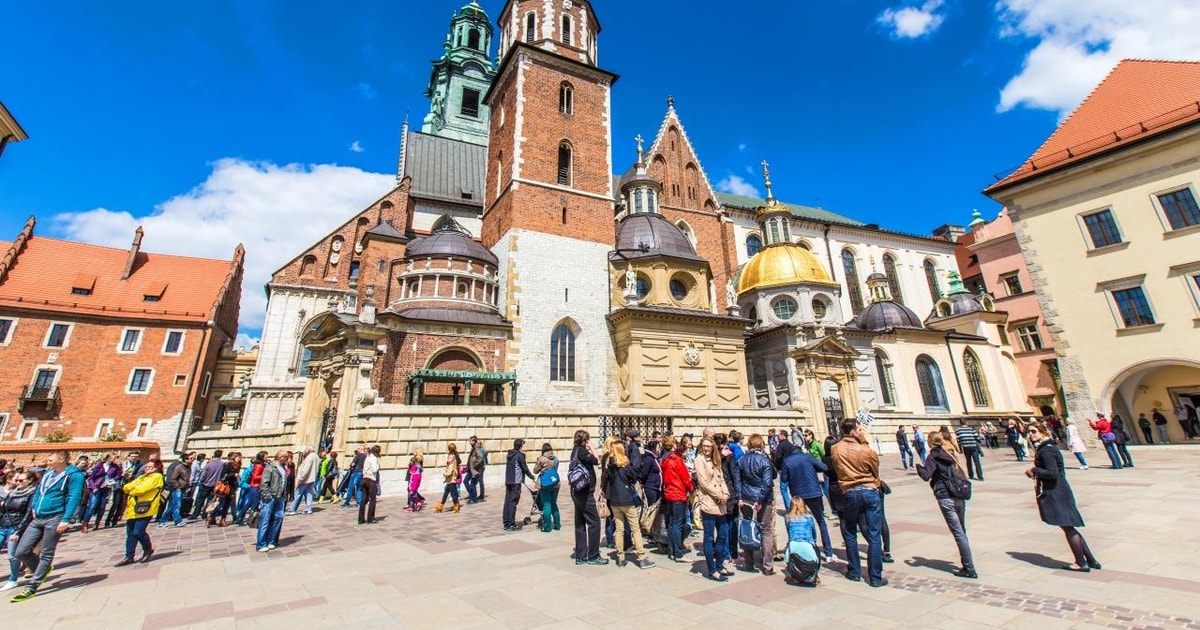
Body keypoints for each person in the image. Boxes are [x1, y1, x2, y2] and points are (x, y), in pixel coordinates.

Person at [8, 450, 85, 603]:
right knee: (21, 551)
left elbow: (74, 496)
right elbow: (38, 492)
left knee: (46, 552)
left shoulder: (74, 475)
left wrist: (66, 519)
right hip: (39, 517)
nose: (48, 461)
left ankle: (32, 587)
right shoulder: (49, 474)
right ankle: (42, 570)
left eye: (51, 459)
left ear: (61, 459)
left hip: (56, 517)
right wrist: (35, 507)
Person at [1025, 422, 1101, 572]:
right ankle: (1090, 560)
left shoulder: (1046, 450)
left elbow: (1052, 473)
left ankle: (1081, 563)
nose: (1031, 434)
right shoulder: (1049, 446)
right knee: (1069, 526)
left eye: (1034, 431)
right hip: (1060, 489)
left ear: (1043, 432)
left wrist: (1034, 470)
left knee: (1067, 526)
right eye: (1029, 432)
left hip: (1055, 491)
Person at [831, 420, 887, 588]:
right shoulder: (866, 450)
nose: (862, 431)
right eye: (860, 429)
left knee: (849, 532)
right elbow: (875, 470)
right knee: (874, 534)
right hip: (869, 490)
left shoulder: (835, 448)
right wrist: (864, 443)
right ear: (854, 431)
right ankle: (875, 577)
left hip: (849, 492)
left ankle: (854, 571)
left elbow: (837, 467)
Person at [916, 433, 976, 578]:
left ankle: (969, 568)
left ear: (930, 442)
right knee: (962, 531)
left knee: (958, 533)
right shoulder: (948, 453)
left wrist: (919, 467)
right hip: (959, 496)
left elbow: (926, 475)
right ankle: (966, 563)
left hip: (946, 497)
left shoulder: (933, 456)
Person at [601, 442, 655, 569]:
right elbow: (635, 477)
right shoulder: (625, 467)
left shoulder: (609, 468)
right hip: (626, 500)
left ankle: (620, 557)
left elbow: (604, 481)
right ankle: (641, 557)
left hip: (614, 501)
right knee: (635, 529)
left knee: (619, 530)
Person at [778, 439, 834, 563]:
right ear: (801, 449)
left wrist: (788, 502)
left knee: (795, 522)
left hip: (798, 497)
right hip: (814, 493)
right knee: (821, 522)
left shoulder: (787, 461)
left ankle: (801, 549)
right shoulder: (808, 457)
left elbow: (783, 484)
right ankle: (829, 553)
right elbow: (824, 467)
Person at [732, 433, 776, 576]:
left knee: (747, 527)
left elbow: (737, 481)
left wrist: (739, 497)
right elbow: (767, 483)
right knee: (766, 531)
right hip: (763, 500)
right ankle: (768, 566)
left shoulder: (742, 460)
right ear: (762, 444)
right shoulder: (765, 460)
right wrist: (760, 500)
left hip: (746, 499)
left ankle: (749, 563)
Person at [115, 461, 163, 567]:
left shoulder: (157, 477)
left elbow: (140, 490)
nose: (147, 468)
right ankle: (129, 556)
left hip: (145, 508)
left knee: (138, 532)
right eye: (146, 466)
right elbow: (127, 486)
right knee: (130, 533)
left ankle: (148, 549)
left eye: (150, 467)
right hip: (133, 508)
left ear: (156, 468)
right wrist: (129, 489)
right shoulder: (142, 477)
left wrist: (131, 491)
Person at [694, 437, 729, 581]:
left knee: (722, 534)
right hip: (709, 502)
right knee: (709, 537)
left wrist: (726, 493)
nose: (706, 448)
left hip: (720, 502)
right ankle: (712, 570)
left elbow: (721, 479)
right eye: (704, 446)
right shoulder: (699, 460)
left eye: (708, 446)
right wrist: (719, 495)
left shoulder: (716, 459)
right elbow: (704, 483)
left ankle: (720, 565)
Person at [570, 430, 606, 565]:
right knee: (594, 522)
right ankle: (593, 555)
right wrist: (592, 448)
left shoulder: (574, 451)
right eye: (587, 440)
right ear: (584, 440)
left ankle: (580, 555)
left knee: (579, 523)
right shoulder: (583, 452)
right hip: (585, 492)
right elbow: (597, 461)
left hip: (576, 491)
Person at [1, 471, 37, 593]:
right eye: (17, 480)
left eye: (21, 480)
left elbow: (28, 514)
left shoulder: (32, 493)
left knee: (12, 555)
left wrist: (18, 531)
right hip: (3, 525)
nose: (18, 483)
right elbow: (4, 510)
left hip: (15, 526)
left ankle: (13, 579)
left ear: (29, 481)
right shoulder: (12, 493)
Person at [660, 435, 693, 564]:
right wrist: (691, 488)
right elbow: (686, 479)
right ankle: (678, 553)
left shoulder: (666, 460)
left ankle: (672, 549)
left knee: (673, 524)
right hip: (678, 494)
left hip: (669, 493)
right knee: (678, 524)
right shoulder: (677, 461)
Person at [256, 451, 288, 551]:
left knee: (278, 518)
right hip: (271, 497)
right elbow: (264, 483)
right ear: (280, 457)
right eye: (286, 456)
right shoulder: (270, 467)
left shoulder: (283, 467)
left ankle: (271, 541)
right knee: (265, 520)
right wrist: (267, 496)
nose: (287, 458)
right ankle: (261, 544)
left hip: (280, 497)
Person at [82, 453, 119, 532]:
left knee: (102, 507)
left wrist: (113, 480)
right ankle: (85, 524)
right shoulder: (99, 466)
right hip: (96, 488)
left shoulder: (115, 467)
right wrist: (93, 487)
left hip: (106, 488)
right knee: (92, 505)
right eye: (112, 458)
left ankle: (97, 523)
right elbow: (90, 478)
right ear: (107, 458)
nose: (114, 459)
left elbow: (118, 475)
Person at [106, 451, 143, 528]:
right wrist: (122, 475)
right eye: (132, 456)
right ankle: (108, 520)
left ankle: (115, 521)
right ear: (128, 456)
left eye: (135, 456)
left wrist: (132, 476)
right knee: (115, 503)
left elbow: (140, 475)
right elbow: (116, 474)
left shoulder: (140, 465)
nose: (134, 458)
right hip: (120, 485)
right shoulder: (122, 464)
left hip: (130, 485)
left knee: (123, 504)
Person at [503, 439, 534, 530]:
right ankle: (511, 523)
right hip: (516, 481)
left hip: (508, 480)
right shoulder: (519, 456)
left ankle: (506, 522)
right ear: (520, 446)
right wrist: (531, 476)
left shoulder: (510, 454)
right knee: (513, 502)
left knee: (507, 501)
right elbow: (524, 467)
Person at [159, 452, 193, 527]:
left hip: (183, 488)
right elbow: (173, 479)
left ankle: (162, 520)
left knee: (172, 505)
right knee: (177, 505)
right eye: (190, 459)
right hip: (177, 489)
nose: (192, 460)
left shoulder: (188, 467)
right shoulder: (179, 467)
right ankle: (178, 521)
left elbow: (186, 479)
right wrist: (177, 487)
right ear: (185, 459)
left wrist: (187, 487)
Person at [533, 443, 560, 532]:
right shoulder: (556, 459)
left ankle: (547, 526)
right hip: (555, 483)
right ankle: (557, 524)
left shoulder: (541, 459)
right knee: (554, 504)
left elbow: (535, 471)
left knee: (547, 504)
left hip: (545, 484)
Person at [233, 452, 266, 526]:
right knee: (254, 505)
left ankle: (240, 518)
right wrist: (264, 475)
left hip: (254, 487)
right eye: (265, 457)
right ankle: (252, 521)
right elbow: (255, 477)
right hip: (255, 487)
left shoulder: (259, 466)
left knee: (249, 504)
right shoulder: (259, 466)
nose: (266, 458)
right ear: (262, 457)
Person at [190, 449, 224, 520]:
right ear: (221, 455)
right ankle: (205, 514)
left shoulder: (209, 464)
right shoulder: (222, 464)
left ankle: (195, 515)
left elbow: (203, 475)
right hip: (215, 485)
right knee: (210, 500)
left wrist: (201, 481)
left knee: (200, 500)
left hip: (206, 484)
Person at [288, 446, 319, 515]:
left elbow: (306, 469)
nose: (304, 452)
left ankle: (292, 509)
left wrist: (300, 478)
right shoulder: (316, 457)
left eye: (305, 450)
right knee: (309, 494)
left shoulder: (309, 457)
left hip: (305, 479)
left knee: (297, 493)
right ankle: (308, 509)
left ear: (309, 450)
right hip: (312, 478)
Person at [435, 442, 463, 513]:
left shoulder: (452, 456)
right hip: (450, 478)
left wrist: (445, 474)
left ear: (449, 449)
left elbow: (450, 468)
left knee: (453, 493)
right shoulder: (455, 455)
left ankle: (456, 506)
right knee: (446, 492)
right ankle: (441, 506)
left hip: (451, 477)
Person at [359, 446, 381, 524]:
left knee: (363, 499)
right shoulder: (374, 458)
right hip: (371, 480)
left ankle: (360, 519)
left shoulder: (367, 457)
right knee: (372, 500)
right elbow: (375, 469)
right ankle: (370, 518)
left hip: (365, 479)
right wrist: (378, 466)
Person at [465, 436, 488, 503]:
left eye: (471, 441)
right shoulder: (473, 448)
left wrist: (474, 465)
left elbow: (480, 457)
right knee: (468, 482)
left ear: (474, 441)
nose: (469, 442)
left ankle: (473, 498)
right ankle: (473, 497)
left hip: (475, 469)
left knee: (472, 483)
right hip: (471, 469)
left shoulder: (476, 448)